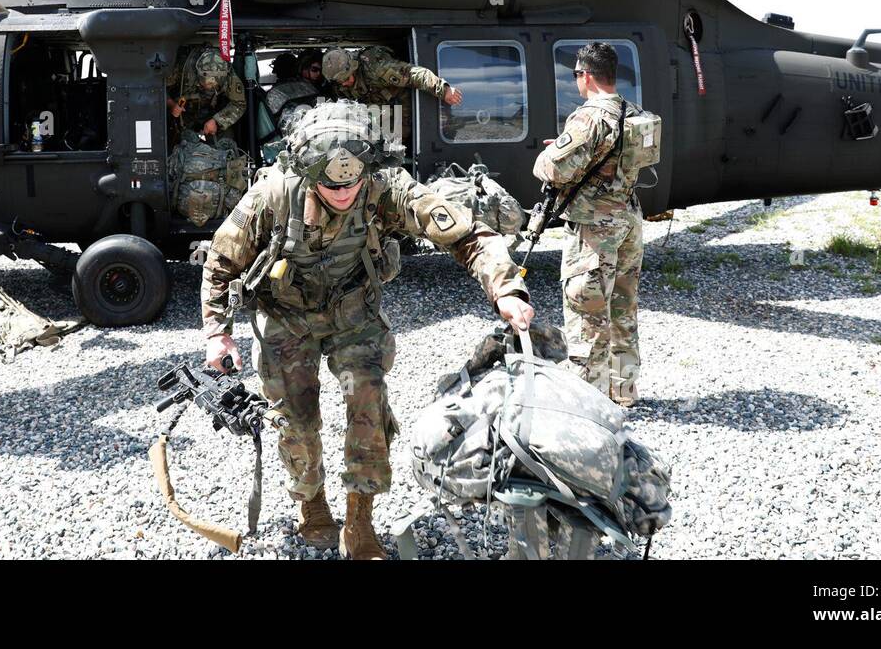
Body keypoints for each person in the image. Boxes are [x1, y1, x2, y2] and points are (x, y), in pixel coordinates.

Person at [201, 101, 534, 559]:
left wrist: (506, 289)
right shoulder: (273, 194)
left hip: (354, 315)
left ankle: (360, 517)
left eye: (352, 183)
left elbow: (467, 233)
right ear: (307, 172)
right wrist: (218, 332)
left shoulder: (385, 187)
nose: (343, 193)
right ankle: (311, 502)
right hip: (287, 319)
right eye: (331, 185)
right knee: (295, 419)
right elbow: (220, 262)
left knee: (368, 405)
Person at [532, 42, 645, 407]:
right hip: (628, 218)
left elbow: (550, 169)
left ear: (587, 76)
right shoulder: (633, 111)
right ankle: (623, 393)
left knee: (587, 315)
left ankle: (587, 406)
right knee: (623, 310)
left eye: (577, 76)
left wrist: (552, 152)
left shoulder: (589, 116)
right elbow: (614, 163)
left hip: (595, 229)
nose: (577, 82)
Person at [321, 46, 463, 107]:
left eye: (346, 79)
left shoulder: (376, 69)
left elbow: (414, 74)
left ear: (354, 69)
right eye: (340, 82)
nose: (344, 84)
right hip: (374, 111)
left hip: (399, 104)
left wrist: (443, 90)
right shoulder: (338, 82)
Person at [168, 47, 246, 140]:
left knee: (226, 138)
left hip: (209, 113)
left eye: (211, 84)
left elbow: (239, 104)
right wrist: (171, 104)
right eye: (204, 81)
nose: (207, 85)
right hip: (182, 112)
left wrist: (217, 121)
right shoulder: (183, 67)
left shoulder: (228, 77)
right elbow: (158, 88)